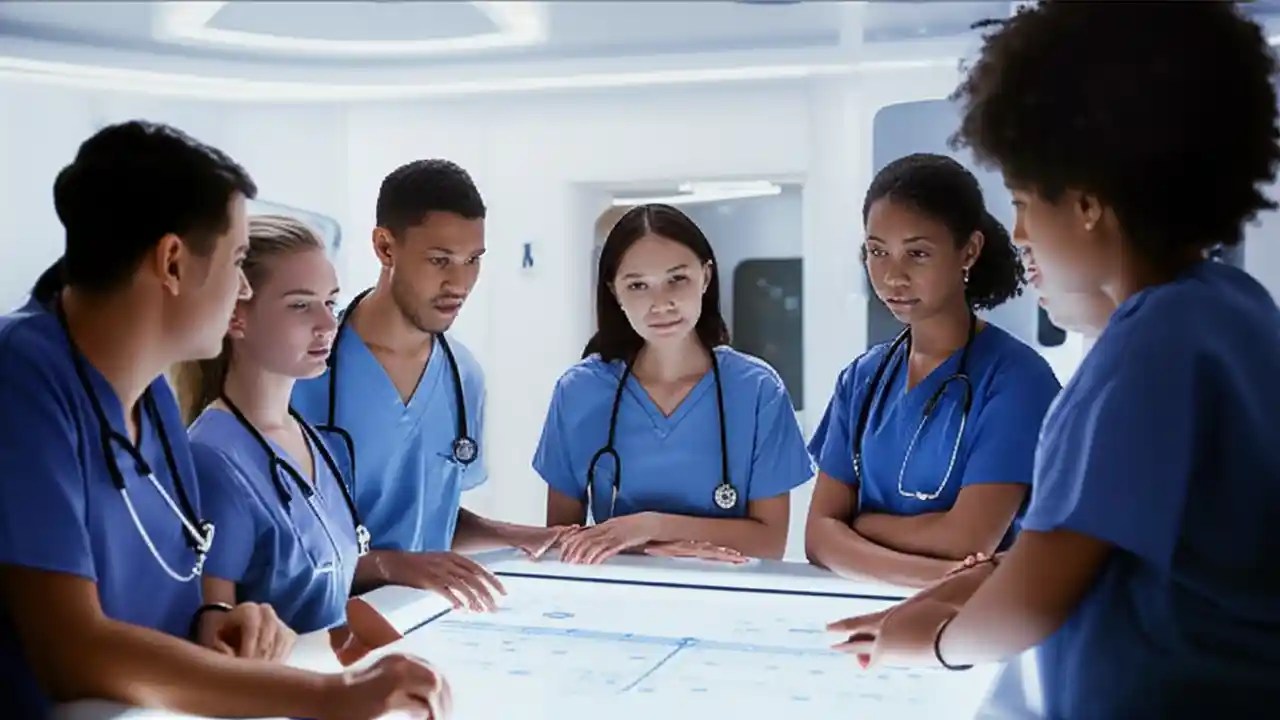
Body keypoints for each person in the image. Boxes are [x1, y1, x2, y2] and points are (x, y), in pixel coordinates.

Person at [827, 3, 1280, 717]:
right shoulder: (1234, 311)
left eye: (1025, 201)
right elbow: (1086, 556)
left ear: (1089, 203)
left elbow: (1032, 602)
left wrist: (927, 641)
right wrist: (947, 591)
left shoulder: (1147, 351)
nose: (1021, 232)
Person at [0, 121, 449, 718]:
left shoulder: (153, 398)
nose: (241, 287)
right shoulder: (20, 382)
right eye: (238, 261)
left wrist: (219, 620)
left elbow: (166, 594)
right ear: (173, 262)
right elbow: (71, 650)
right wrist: (330, 695)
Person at [292, 159, 566, 613]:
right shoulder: (306, 371)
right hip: (319, 626)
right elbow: (280, 540)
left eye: (472, 261)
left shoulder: (464, 376)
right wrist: (390, 565)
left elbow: (429, 516)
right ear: (385, 247)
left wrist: (518, 536)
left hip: (418, 620)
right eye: (439, 260)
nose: (459, 283)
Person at [804, 153, 1061, 589]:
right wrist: (936, 574)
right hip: (884, 603)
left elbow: (967, 539)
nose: (892, 276)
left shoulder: (1017, 381)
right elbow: (817, 537)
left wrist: (860, 526)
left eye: (918, 253)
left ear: (970, 250)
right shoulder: (861, 379)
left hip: (968, 620)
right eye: (877, 252)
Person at [535, 203, 814, 564]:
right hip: (614, 604)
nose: (660, 303)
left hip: (729, 603)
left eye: (677, 279)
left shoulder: (758, 391)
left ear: (706, 277)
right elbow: (561, 542)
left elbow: (769, 542)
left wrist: (652, 526)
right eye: (638, 285)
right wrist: (661, 546)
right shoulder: (578, 392)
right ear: (615, 292)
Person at [174, 214, 375, 644]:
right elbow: (218, 643)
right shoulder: (212, 459)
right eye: (300, 305)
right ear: (235, 316)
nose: (328, 324)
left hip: (335, 687)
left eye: (331, 303)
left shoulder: (312, 441)